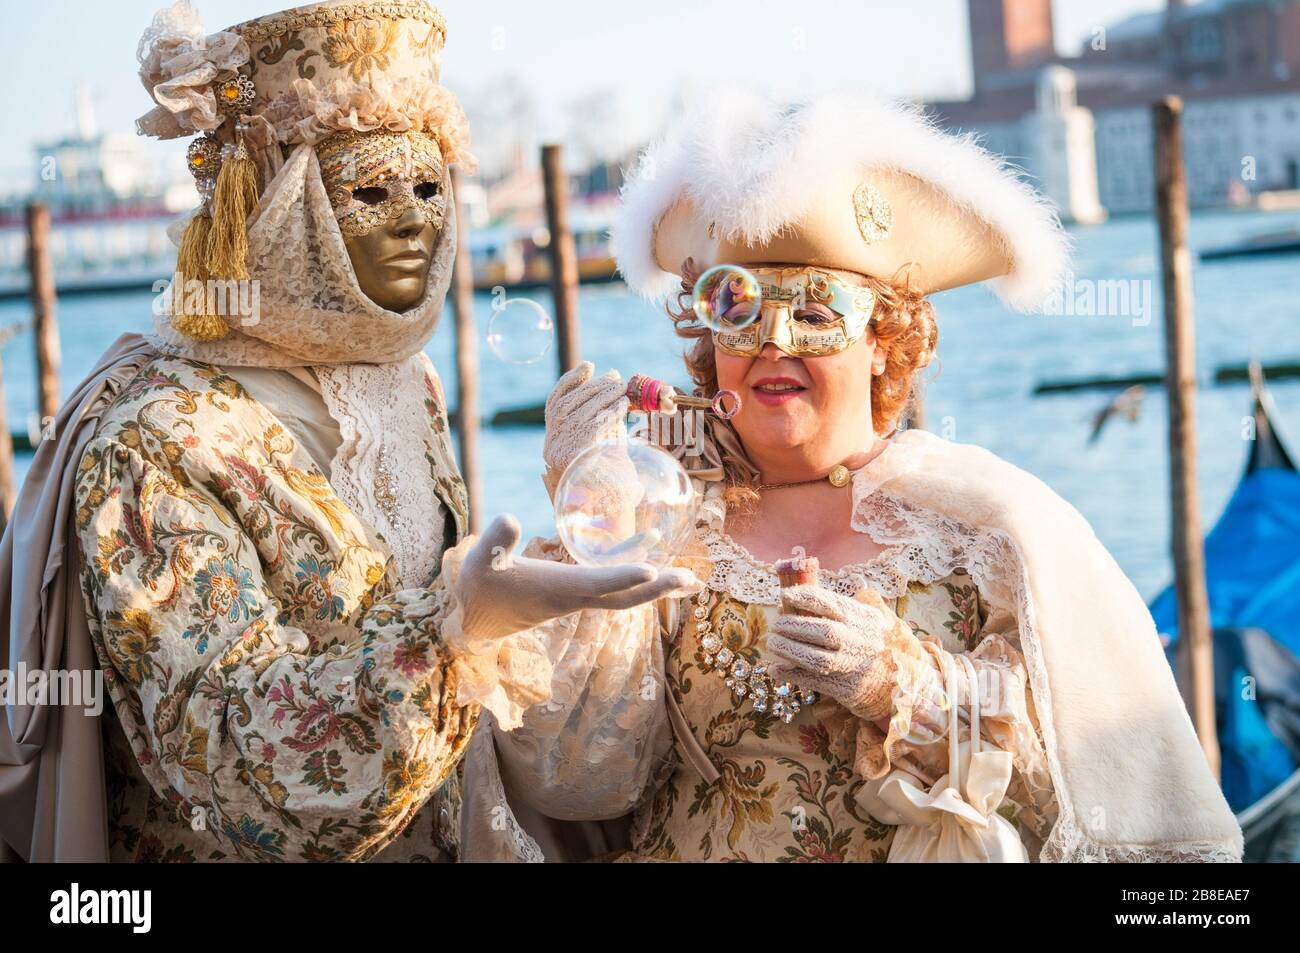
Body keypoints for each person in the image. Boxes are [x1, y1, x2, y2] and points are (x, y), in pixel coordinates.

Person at [0, 0, 688, 863]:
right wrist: (456, 635)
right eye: (369, 188)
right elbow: (230, 759)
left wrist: (576, 518)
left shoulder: (409, 386)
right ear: (282, 203)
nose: (412, 219)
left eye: (430, 185)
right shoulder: (154, 434)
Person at [489, 90, 1244, 862]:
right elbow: (582, 781)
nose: (773, 346)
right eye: (738, 311)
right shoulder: (666, 525)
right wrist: (595, 514)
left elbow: (1084, 779)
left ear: (884, 340)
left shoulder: (983, 524)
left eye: (817, 316)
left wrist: (900, 682)